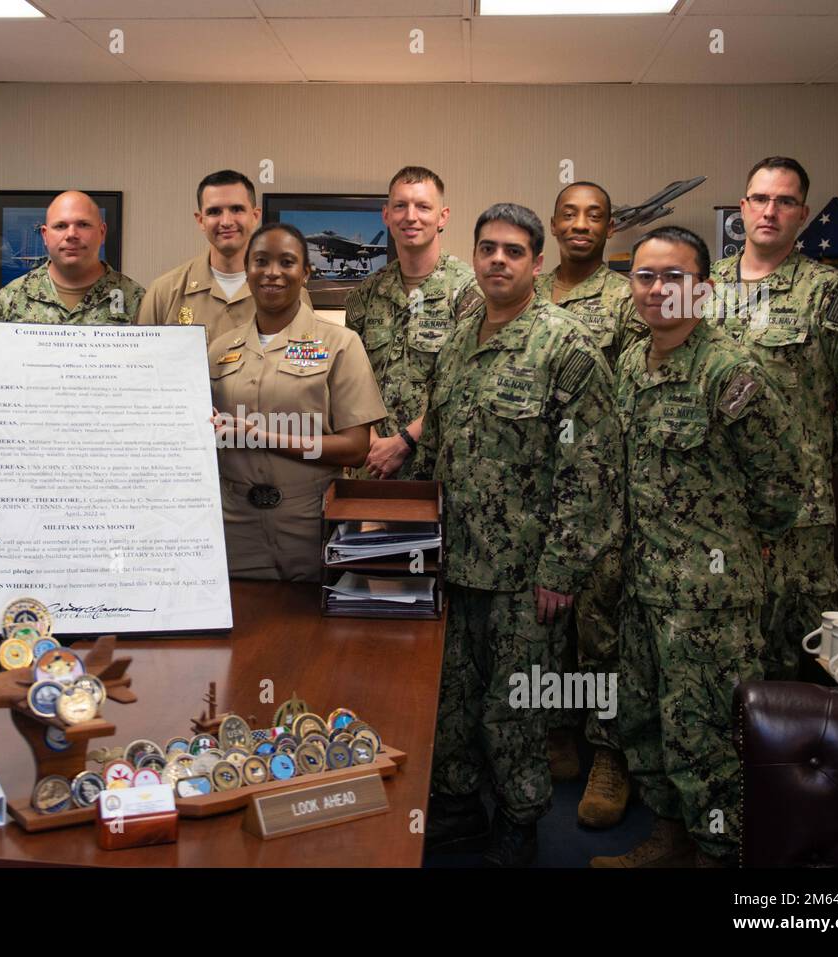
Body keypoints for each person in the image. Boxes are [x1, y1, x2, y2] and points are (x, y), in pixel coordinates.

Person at [592, 226, 803, 868]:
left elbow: (781, 487)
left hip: (707, 602)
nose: (657, 289)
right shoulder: (630, 363)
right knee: (646, 726)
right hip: (640, 588)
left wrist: (733, 550)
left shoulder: (732, 372)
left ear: (703, 289)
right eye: (645, 276)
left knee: (707, 742)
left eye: (674, 277)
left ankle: (721, 858)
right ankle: (669, 839)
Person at [418, 204, 620, 865]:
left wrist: (561, 569)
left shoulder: (566, 347)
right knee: (449, 705)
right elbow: (439, 447)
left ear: (537, 262)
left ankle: (519, 820)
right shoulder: (456, 339)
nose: (497, 259)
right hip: (453, 564)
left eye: (512, 250)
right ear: (473, 257)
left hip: (524, 575)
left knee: (515, 707)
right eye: (487, 248)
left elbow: (590, 468)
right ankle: (455, 808)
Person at [710, 156, 838, 681]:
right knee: (715, 650)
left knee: (793, 660)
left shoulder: (831, 296)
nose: (771, 211)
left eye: (785, 201)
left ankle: (788, 763)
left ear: (803, 213)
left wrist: (806, 463)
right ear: (742, 208)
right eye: (761, 199)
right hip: (711, 509)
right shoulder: (703, 287)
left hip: (797, 523)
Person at [534, 181, 644, 826]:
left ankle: (609, 754)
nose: (581, 224)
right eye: (570, 213)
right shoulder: (529, 287)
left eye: (595, 215)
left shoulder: (625, 298)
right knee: (544, 629)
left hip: (599, 486)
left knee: (600, 625)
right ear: (552, 224)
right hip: (532, 486)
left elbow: (630, 388)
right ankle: (555, 735)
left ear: (609, 228)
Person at [208, 223, 385, 582]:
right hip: (233, 529)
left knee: (316, 633)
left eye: (287, 262)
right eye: (261, 261)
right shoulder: (218, 349)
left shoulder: (340, 344)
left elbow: (355, 447)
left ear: (305, 273)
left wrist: (263, 438)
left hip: (309, 525)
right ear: (247, 269)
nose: (272, 273)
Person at [346, 167, 480, 480]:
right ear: (386, 215)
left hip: (441, 467)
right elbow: (346, 381)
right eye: (400, 206)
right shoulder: (365, 294)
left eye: (423, 206)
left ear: (443, 216)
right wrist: (369, 439)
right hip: (372, 464)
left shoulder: (469, 292)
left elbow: (468, 385)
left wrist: (405, 441)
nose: (410, 216)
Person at [139, 169, 311, 343]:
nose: (227, 221)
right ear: (201, 221)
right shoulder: (164, 293)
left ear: (255, 216)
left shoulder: (292, 292)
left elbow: (305, 364)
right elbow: (141, 363)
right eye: (214, 212)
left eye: (237, 209)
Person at [0, 190, 144, 324]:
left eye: (83, 224)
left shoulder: (135, 299)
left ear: (102, 232)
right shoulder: (10, 298)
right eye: (60, 226)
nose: (71, 234)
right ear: (45, 235)